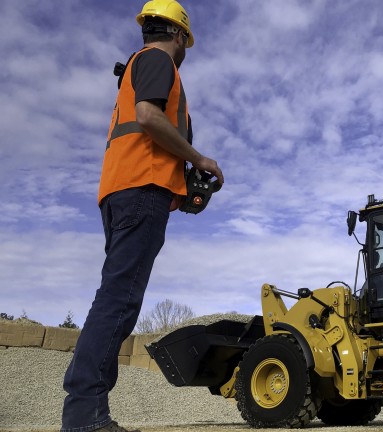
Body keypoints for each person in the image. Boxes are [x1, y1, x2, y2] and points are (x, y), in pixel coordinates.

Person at [61, 1, 223, 431]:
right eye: (186, 41)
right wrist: (198, 158)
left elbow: (144, 138)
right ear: (179, 36)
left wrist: (179, 187)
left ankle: (82, 404)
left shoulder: (138, 65)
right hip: (139, 192)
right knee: (120, 299)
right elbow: (149, 118)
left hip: (125, 190)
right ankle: (84, 413)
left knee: (115, 295)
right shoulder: (157, 61)